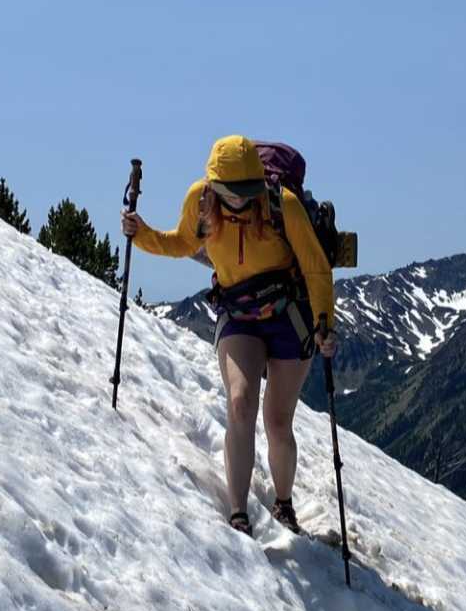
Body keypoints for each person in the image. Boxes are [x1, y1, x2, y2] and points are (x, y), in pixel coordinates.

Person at [122, 135, 337, 537]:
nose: (238, 200)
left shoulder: (282, 205)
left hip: (290, 315)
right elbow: (183, 243)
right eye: (230, 192)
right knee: (240, 403)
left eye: (246, 191)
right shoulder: (200, 200)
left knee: (277, 420)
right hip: (239, 315)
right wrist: (143, 233)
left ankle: (284, 505)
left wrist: (325, 323)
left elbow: (316, 268)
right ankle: (239, 513)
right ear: (214, 185)